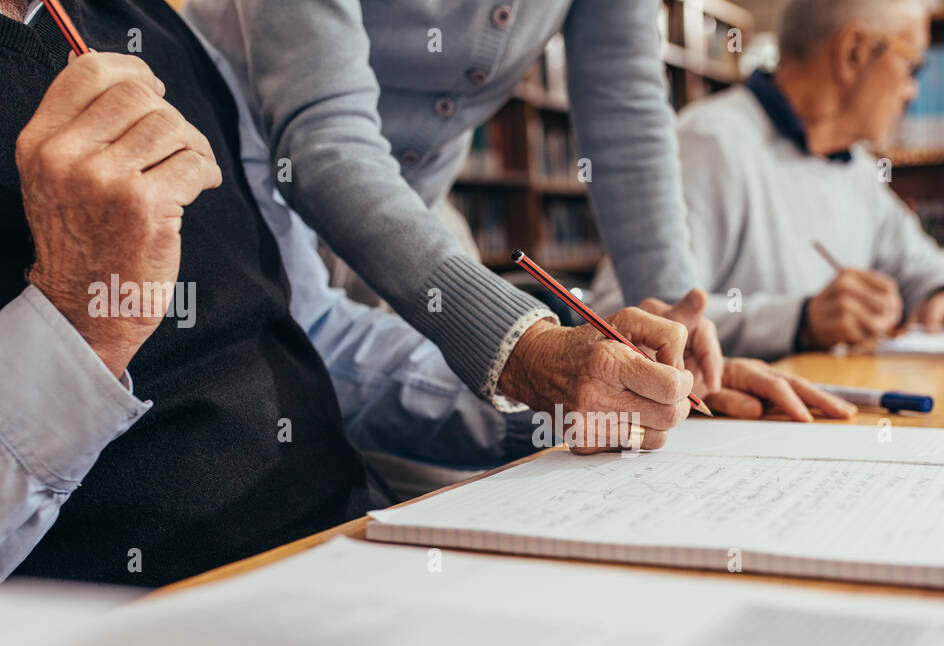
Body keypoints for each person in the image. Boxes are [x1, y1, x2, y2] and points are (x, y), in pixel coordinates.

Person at [0, 0, 624, 588]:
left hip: (358, 554)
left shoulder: (157, 32)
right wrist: (77, 315)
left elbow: (309, 331)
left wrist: (553, 391)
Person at [186, 0, 856, 423]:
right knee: (279, 418)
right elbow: (325, 142)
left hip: (409, 213)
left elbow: (626, 120)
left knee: (446, 417)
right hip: (234, 184)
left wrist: (671, 341)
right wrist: (521, 347)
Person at [592, 0, 944, 362]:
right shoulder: (711, 143)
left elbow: (922, 263)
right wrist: (798, 320)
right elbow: (623, 314)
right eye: (913, 66)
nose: (912, 92)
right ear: (854, 52)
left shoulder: (853, 165)